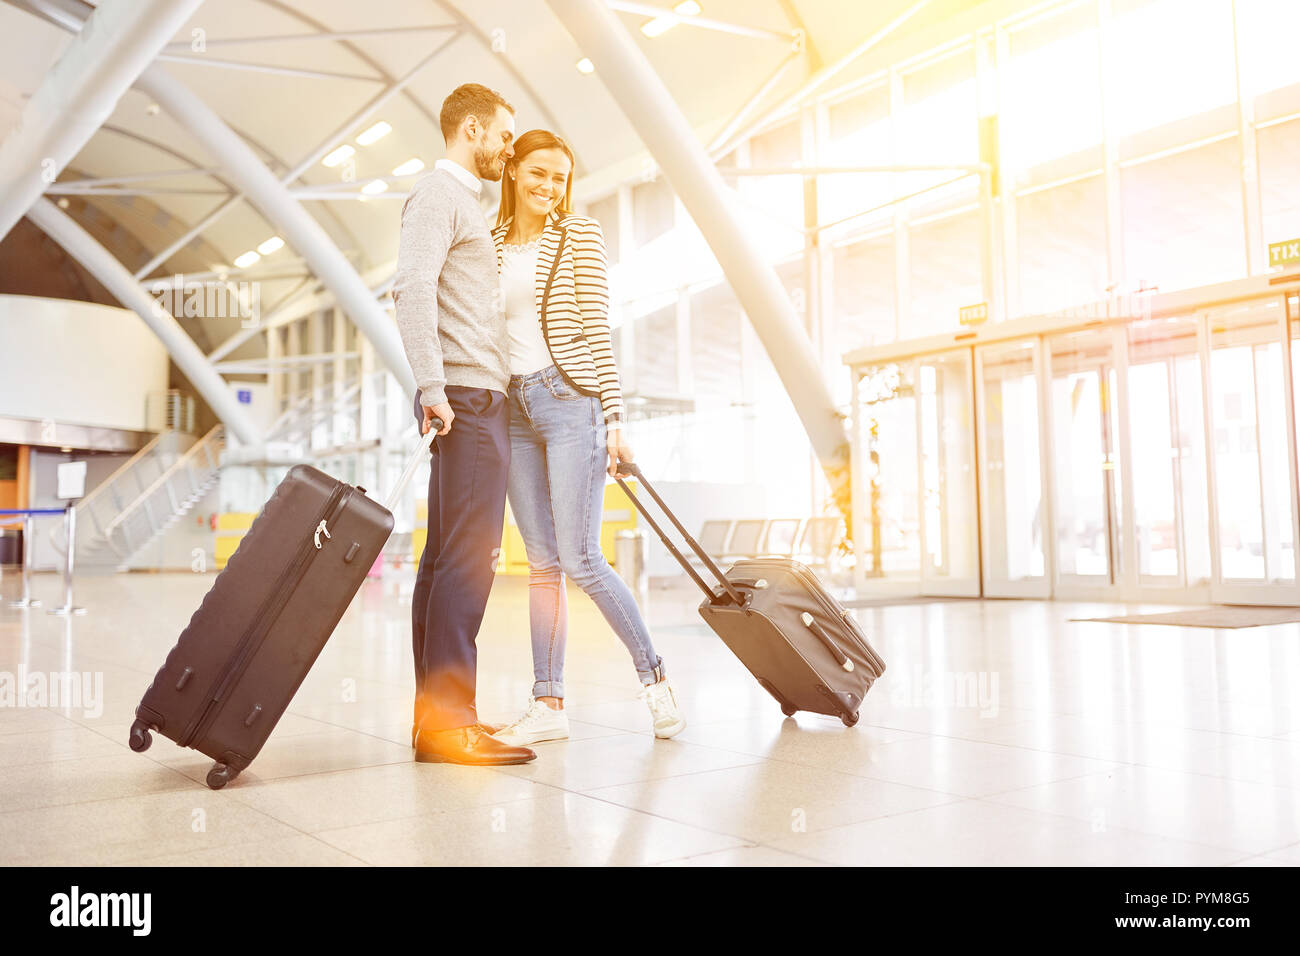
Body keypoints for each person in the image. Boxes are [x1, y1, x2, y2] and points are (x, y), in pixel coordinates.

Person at [487, 129, 686, 746]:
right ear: (514, 171)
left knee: (581, 558)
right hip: (514, 407)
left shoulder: (579, 235)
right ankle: (548, 704)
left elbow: (598, 331)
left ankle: (654, 681)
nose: (550, 187)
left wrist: (616, 419)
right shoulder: (490, 244)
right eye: (540, 173)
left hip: (570, 401)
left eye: (561, 177)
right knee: (542, 564)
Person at [391, 83, 535, 766]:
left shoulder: (460, 202)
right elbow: (411, 287)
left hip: (469, 398)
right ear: (472, 129)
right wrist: (432, 384)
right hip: (469, 401)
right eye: (504, 136)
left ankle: (437, 721)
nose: (508, 149)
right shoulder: (441, 195)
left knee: (445, 561)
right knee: (467, 563)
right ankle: (450, 724)